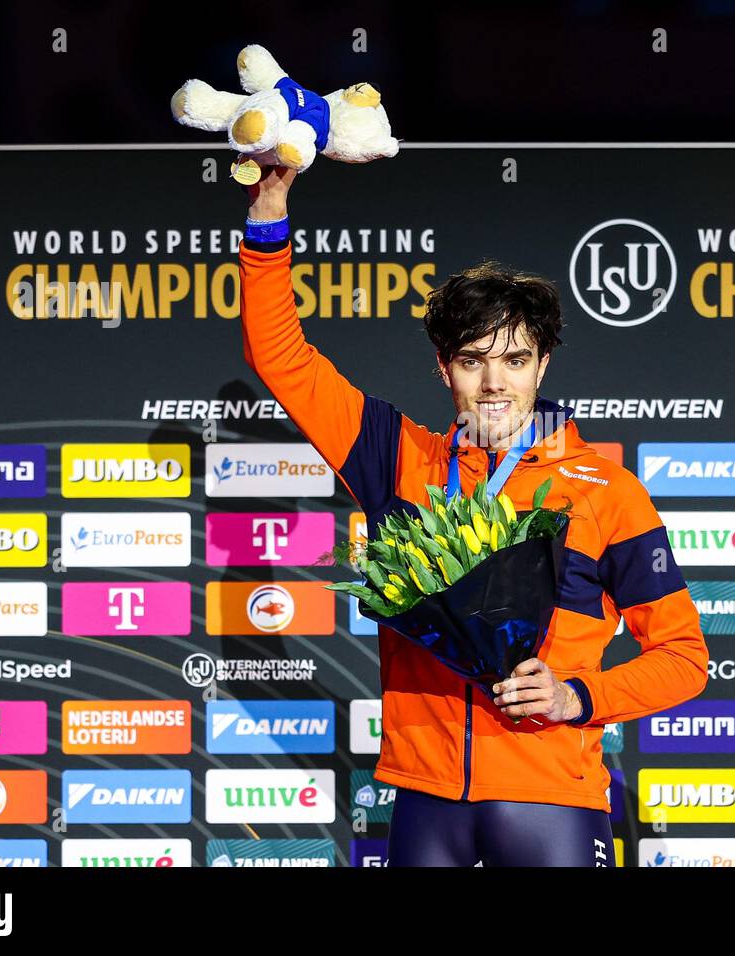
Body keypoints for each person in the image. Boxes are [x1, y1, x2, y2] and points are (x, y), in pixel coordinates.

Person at [239, 164, 708, 866]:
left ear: (543, 365)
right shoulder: (400, 461)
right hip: (426, 801)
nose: (494, 384)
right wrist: (269, 217)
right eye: (471, 361)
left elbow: (685, 659)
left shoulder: (607, 491)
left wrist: (578, 696)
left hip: (554, 799)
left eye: (515, 360)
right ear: (443, 367)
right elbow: (282, 359)